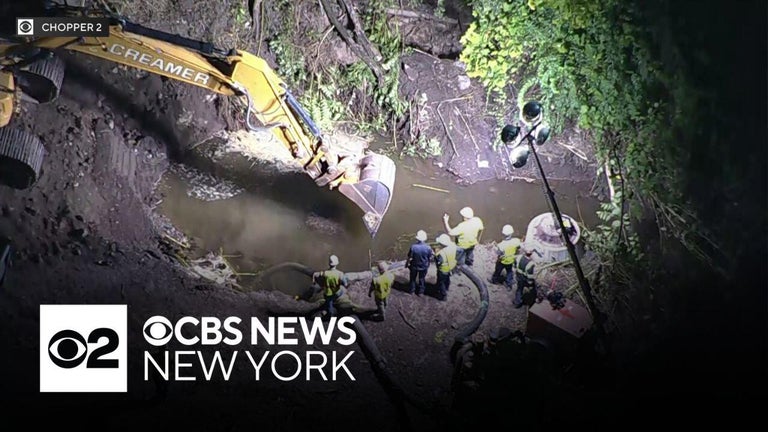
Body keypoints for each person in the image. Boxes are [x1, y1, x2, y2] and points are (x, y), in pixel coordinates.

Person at [491, 224, 521, 290]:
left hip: (503, 261)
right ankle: (509, 285)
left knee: (497, 271)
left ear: (503, 234)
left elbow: (499, 253)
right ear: (512, 233)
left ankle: (494, 280)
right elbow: (519, 247)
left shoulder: (501, 245)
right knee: (509, 272)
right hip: (511, 261)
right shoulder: (516, 241)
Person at [406, 230, 433, 296]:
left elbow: (409, 257)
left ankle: (412, 291)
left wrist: (407, 264)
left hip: (414, 266)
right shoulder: (428, 248)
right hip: (424, 266)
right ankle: (421, 292)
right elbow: (430, 257)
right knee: (422, 278)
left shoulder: (413, 247)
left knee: (412, 278)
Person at [434, 234, 457, 301]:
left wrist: (435, 254)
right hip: (451, 267)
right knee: (447, 279)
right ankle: (447, 288)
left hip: (443, 270)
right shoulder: (453, 246)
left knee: (441, 283)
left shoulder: (441, 253)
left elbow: (439, 262)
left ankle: (443, 295)